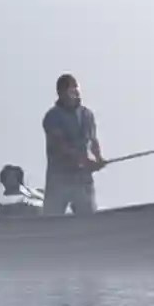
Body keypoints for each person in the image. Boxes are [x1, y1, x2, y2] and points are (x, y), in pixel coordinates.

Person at [41, 73, 105, 215]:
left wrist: (98, 159)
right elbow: (60, 144)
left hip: (82, 180)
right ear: (61, 93)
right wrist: (83, 160)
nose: (75, 93)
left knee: (88, 219)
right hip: (58, 179)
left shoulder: (87, 115)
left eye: (76, 89)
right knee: (50, 221)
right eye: (71, 90)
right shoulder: (52, 117)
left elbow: (93, 140)